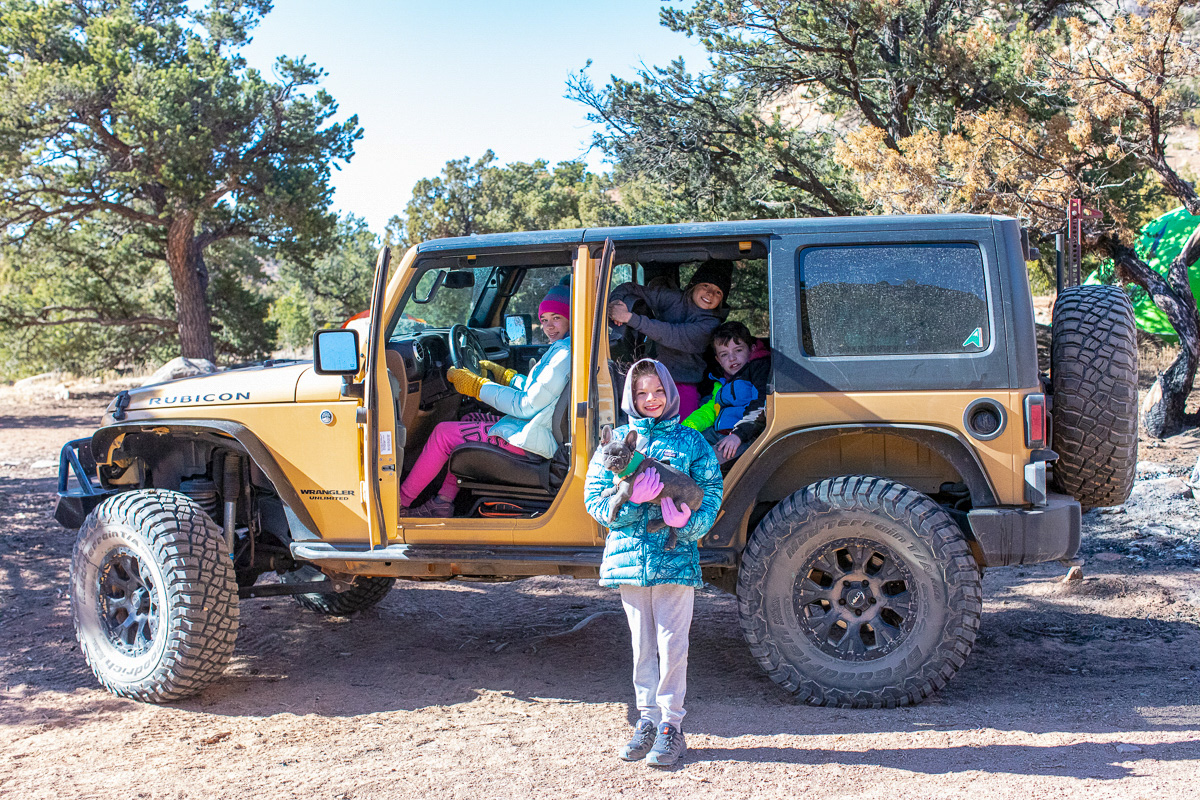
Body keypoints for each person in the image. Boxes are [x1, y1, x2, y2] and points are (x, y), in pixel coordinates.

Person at [583, 358, 723, 767]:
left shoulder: (692, 442)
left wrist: (689, 522)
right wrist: (633, 505)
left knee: (672, 645)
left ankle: (671, 727)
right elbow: (595, 500)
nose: (650, 399)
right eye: (642, 392)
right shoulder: (612, 446)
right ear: (631, 396)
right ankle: (646, 720)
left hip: (674, 558)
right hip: (629, 561)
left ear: (670, 393)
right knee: (642, 646)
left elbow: (711, 493)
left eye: (658, 391)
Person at [398, 282, 571, 517]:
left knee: (442, 434)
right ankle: (443, 501)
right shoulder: (563, 349)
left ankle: (398, 504)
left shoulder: (564, 354)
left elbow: (526, 405)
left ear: (570, 318)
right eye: (544, 320)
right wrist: (507, 377)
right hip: (537, 430)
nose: (549, 326)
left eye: (556, 318)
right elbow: (538, 390)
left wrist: (478, 386)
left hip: (532, 441)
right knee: (468, 417)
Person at [608, 260, 732, 419]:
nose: (710, 294)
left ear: (721, 301)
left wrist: (629, 317)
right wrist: (616, 303)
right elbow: (630, 288)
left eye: (718, 292)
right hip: (652, 382)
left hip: (684, 383)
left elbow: (671, 334)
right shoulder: (672, 298)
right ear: (694, 285)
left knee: (683, 430)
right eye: (706, 285)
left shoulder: (711, 324)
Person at [684, 321, 771, 464]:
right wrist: (685, 429)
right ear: (718, 360)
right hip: (718, 433)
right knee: (682, 450)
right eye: (724, 354)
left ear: (752, 349)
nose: (732, 358)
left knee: (701, 463)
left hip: (745, 436)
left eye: (738, 350)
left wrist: (738, 435)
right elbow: (709, 411)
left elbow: (761, 404)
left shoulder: (757, 370)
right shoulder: (721, 382)